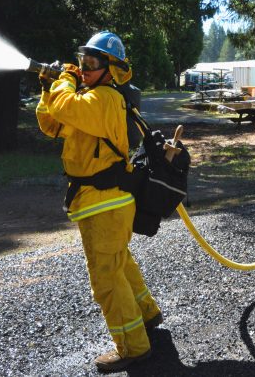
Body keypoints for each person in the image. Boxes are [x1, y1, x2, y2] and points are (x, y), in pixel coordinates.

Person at [36, 31, 162, 372]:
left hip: (105, 201)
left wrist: (62, 79)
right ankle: (147, 314)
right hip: (98, 200)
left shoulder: (104, 98)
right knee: (119, 265)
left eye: (92, 63)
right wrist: (49, 86)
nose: (84, 68)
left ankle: (133, 347)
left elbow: (66, 106)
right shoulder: (87, 101)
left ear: (111, 69)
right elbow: (51, 123)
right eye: (81, 62)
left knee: (106, 278)